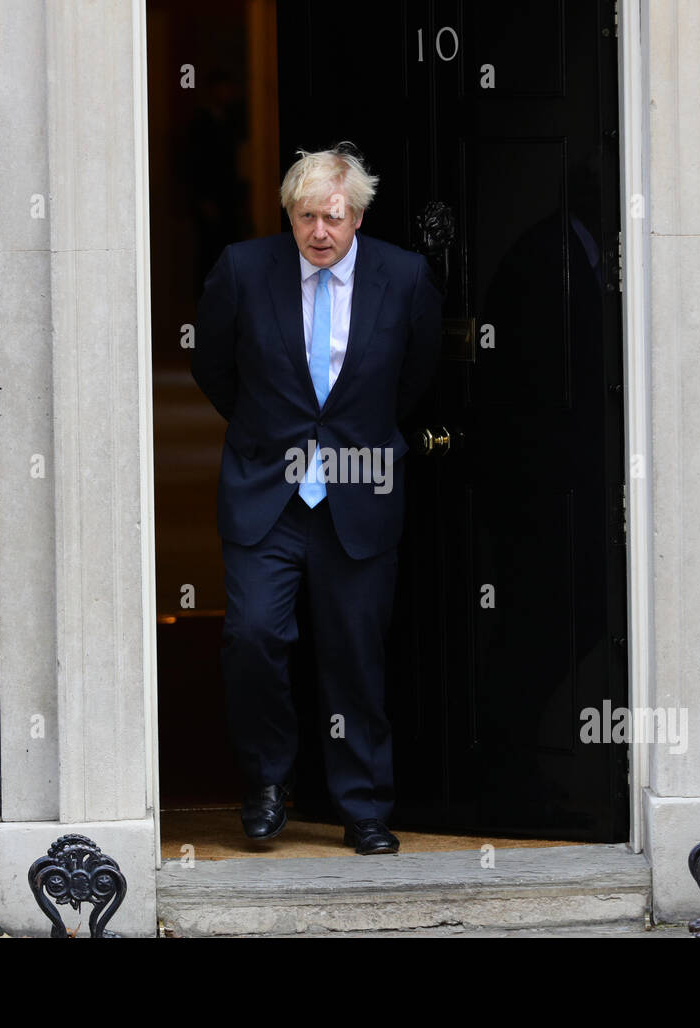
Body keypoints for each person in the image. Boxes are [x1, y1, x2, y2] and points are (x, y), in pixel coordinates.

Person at [192, 144, 442, 854]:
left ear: (357, 215)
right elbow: (212, 366)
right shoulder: (244, 270)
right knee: (253, 638)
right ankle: (268, 781)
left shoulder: (404, 276)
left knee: (355, 654)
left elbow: (414, 375)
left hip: (358, 495)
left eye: (332, 217)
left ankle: (362, 807)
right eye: (306, 217)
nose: (319, 232)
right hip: (265, 492)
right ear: (290, 216)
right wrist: (269, 431)